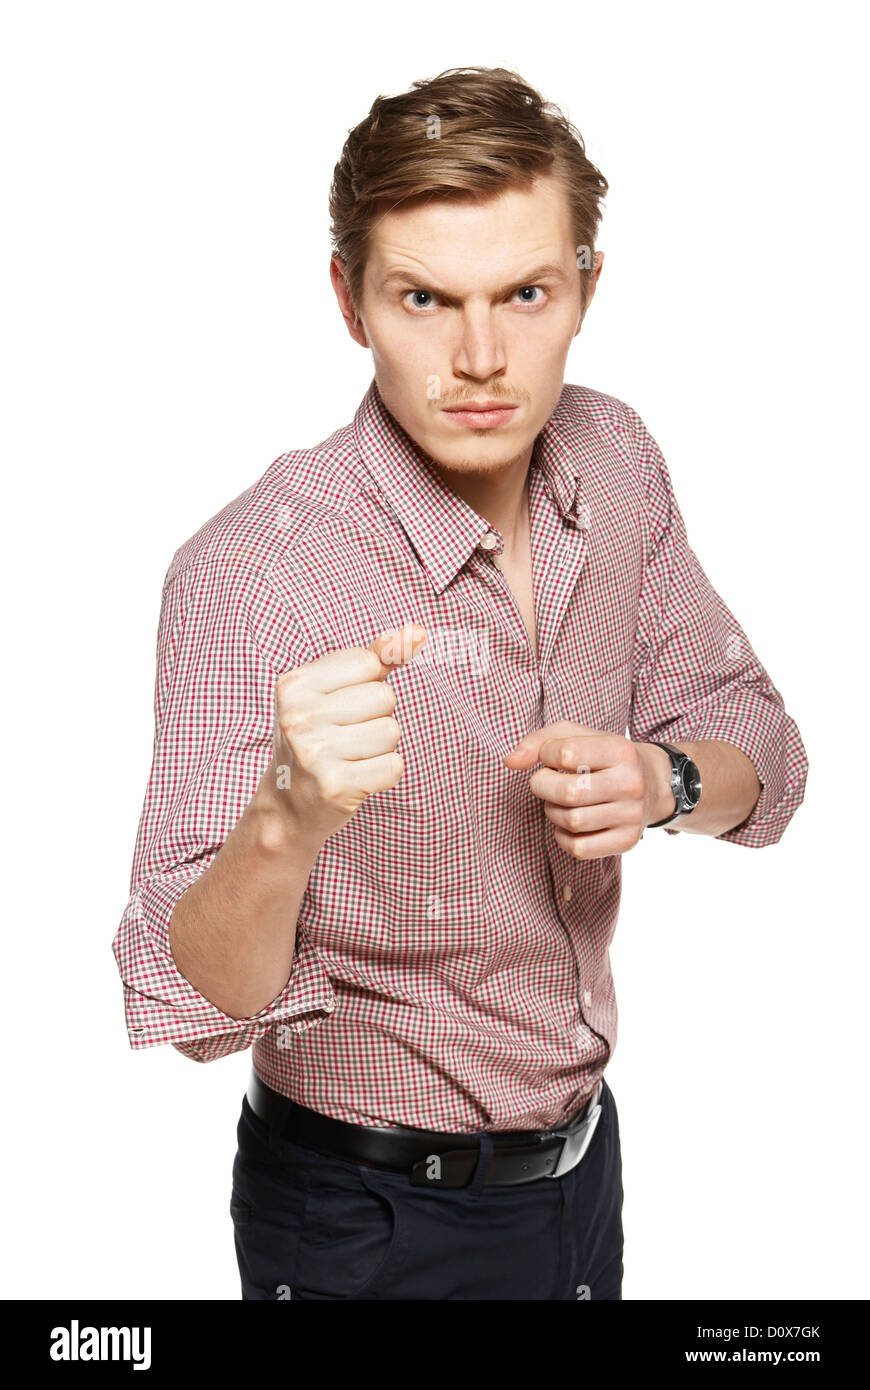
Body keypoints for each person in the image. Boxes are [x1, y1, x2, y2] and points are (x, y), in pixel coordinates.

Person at [112, 66, 808, 1301]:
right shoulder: (251, 570)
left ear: (588, 285)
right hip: (363, 1216)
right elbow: (193, 999)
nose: (481, 357)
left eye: (524, 293)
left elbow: (758, 744)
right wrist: (282, 818)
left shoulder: (617, 457)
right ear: (350, 298)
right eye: (425, 299)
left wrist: (666, 778)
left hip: (584, 1174)